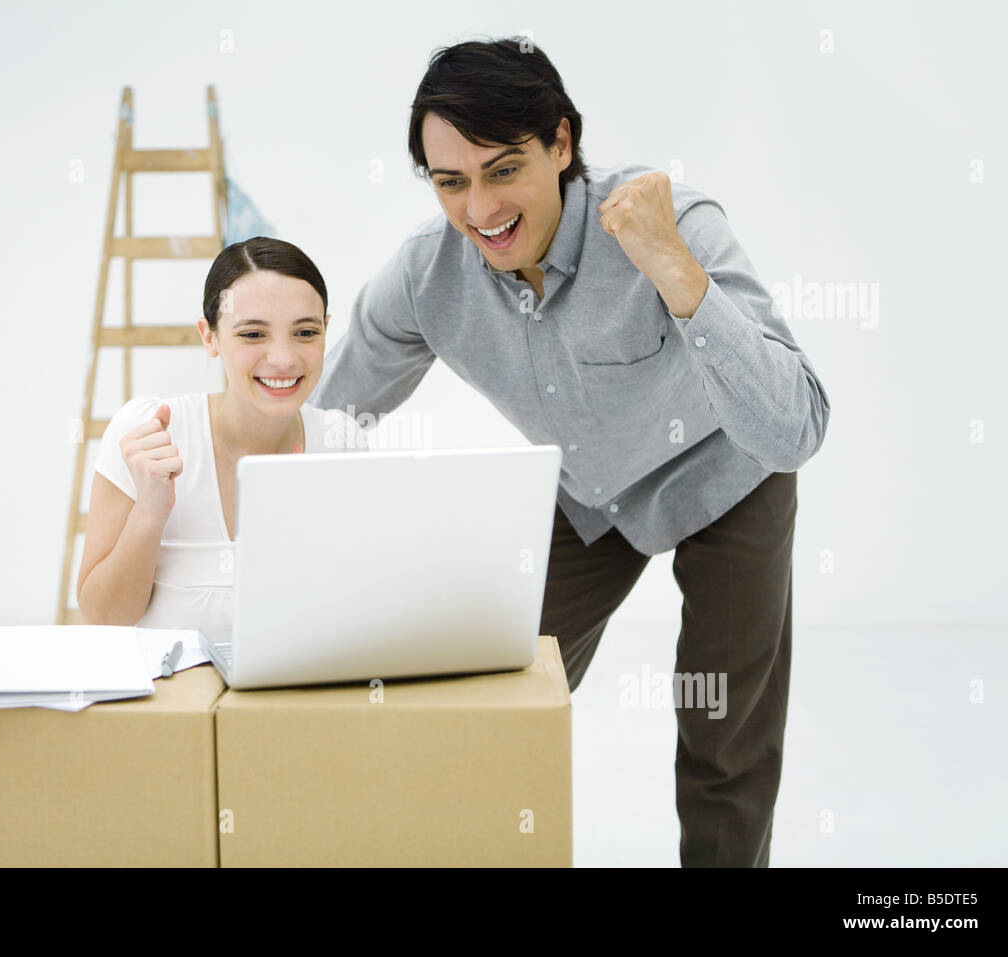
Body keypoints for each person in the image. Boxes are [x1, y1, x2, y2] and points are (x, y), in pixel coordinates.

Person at [307, 38, 830, 867]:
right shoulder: (427, 275)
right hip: (592, 495)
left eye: (502, 168)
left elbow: (794, 428)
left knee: (721, 737)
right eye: (451, 181)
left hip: (732, 474)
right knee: (491, 702)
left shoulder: (674, 221)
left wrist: (670, 267)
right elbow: (329, 418)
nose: (479, 207)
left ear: (560, 143)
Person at [78, 237, 368, 630]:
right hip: (172, 690)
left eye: (305, 333)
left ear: (326, 331)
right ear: (210, 336)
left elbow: (352, 616)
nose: (283, 359)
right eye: (252, 334)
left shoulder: (342, 442)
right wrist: (150, 509)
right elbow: (104, 619)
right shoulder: (148, 434)